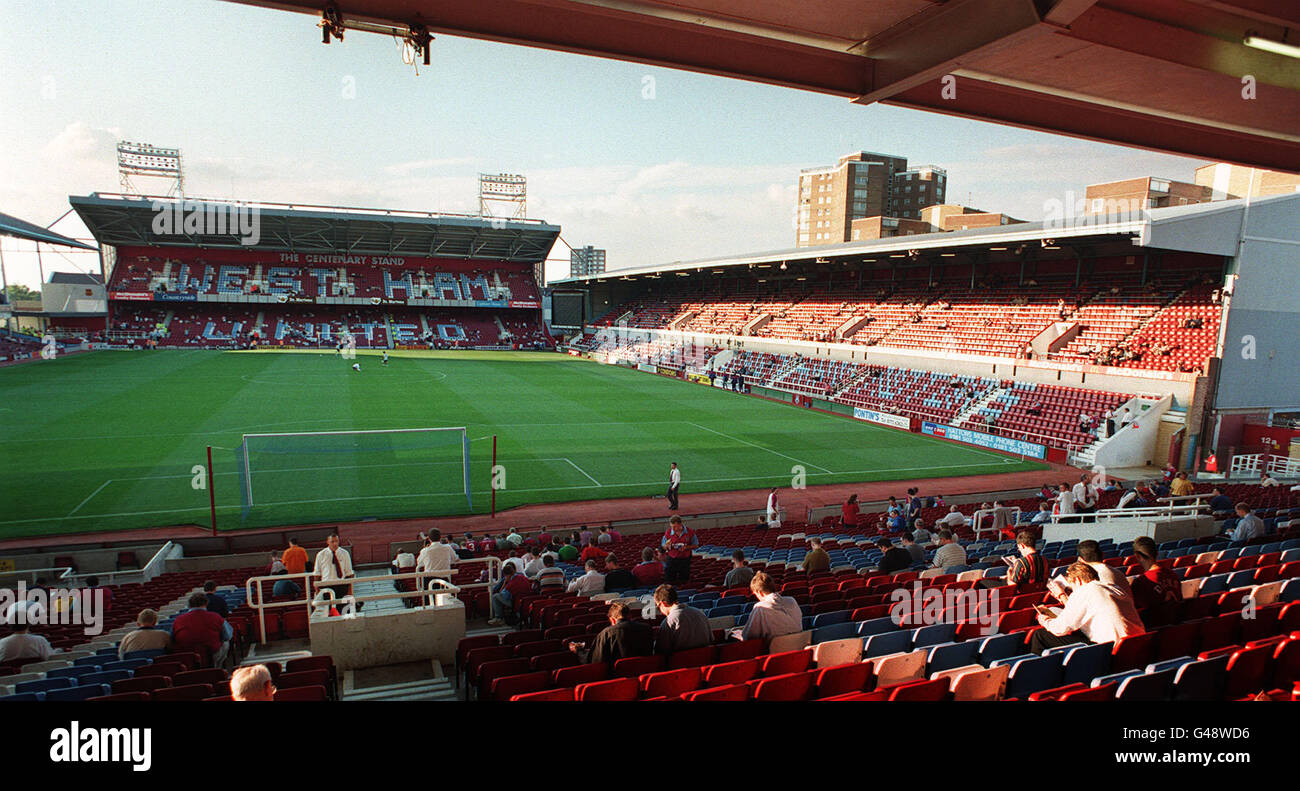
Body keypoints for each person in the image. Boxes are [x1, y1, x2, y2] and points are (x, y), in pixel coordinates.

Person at [1030, 562, 1145, 653]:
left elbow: (1060, 629)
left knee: (1040, 635)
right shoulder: (1114, 588)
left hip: (1109, 649)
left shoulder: (1084, 591)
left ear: (1077, 580)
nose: (1073, 590)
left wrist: (1045, 621)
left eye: (1072, 586)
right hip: (1135, 645)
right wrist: (1063, 596)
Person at [576, 601, 655, 668]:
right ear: (630, 616)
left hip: (617, 677)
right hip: (645, 671)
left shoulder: (606, 633)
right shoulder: (647, 629)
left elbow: (594, 660)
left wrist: (579, 650)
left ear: (612, 619)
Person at [735, 572, 802, 646]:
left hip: (776, 651)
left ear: (759, 592)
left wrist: (741, 635)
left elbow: (748, 637)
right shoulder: (792, 601)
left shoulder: (760, 608)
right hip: (799, 648)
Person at [1130, 536, 1182, 627]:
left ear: (1137, 556)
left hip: (1153, 630)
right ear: (1156, 553)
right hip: (1174, 626)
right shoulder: (1173, 575)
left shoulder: (1141, 582)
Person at [171, 592, 233, 667]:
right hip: (212, 653)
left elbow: (173, 639)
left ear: (189, 605)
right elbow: (227, 636)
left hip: (186, 656)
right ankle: (218, 668)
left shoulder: (178, 620)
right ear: (206, 604)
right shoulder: (216, 617)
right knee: (226, 643)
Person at [652, 585, 712, 655]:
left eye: (658, 606)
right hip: (705, 660)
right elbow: (711, 640)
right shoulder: (700, 613)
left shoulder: (668, 622)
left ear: (663, 604)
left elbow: (661, 652)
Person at [314, 533, 358, 611]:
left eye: (336, 541)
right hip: (327, 585)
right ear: (327, 542)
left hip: (341, 585)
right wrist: (317, 589)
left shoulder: (344, 553)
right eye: (332, 541)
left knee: (343, 609)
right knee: (330, 609)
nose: (335, 544)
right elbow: (317, 573)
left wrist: (350, 590)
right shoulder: (321, 555)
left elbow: (349, 573)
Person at [661, 515, 697, 583]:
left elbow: (696, 545)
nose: (673, 529)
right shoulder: (668, 533)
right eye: (671, 526)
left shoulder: (690, 532)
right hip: (672, 559)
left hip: (685, 560)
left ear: (680, 524)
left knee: (684, 580)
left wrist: (686, 547)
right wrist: (666, 546)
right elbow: (663, 546)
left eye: (675, 527)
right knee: (669, 579)